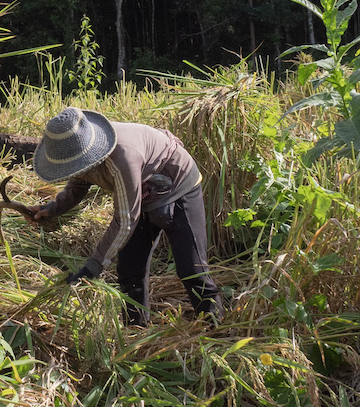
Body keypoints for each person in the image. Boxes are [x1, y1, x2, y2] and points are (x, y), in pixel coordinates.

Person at [29, 106, 221, 326]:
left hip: (177, 185)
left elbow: (125, 221)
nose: (74, 172)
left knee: (191, 269)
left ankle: (213, 329)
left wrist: (93, 267)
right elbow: (79, 182)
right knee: (130, 271)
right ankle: (135, 334)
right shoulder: (82, 156)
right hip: (140, 191)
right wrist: (53, 209)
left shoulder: (122, 158)